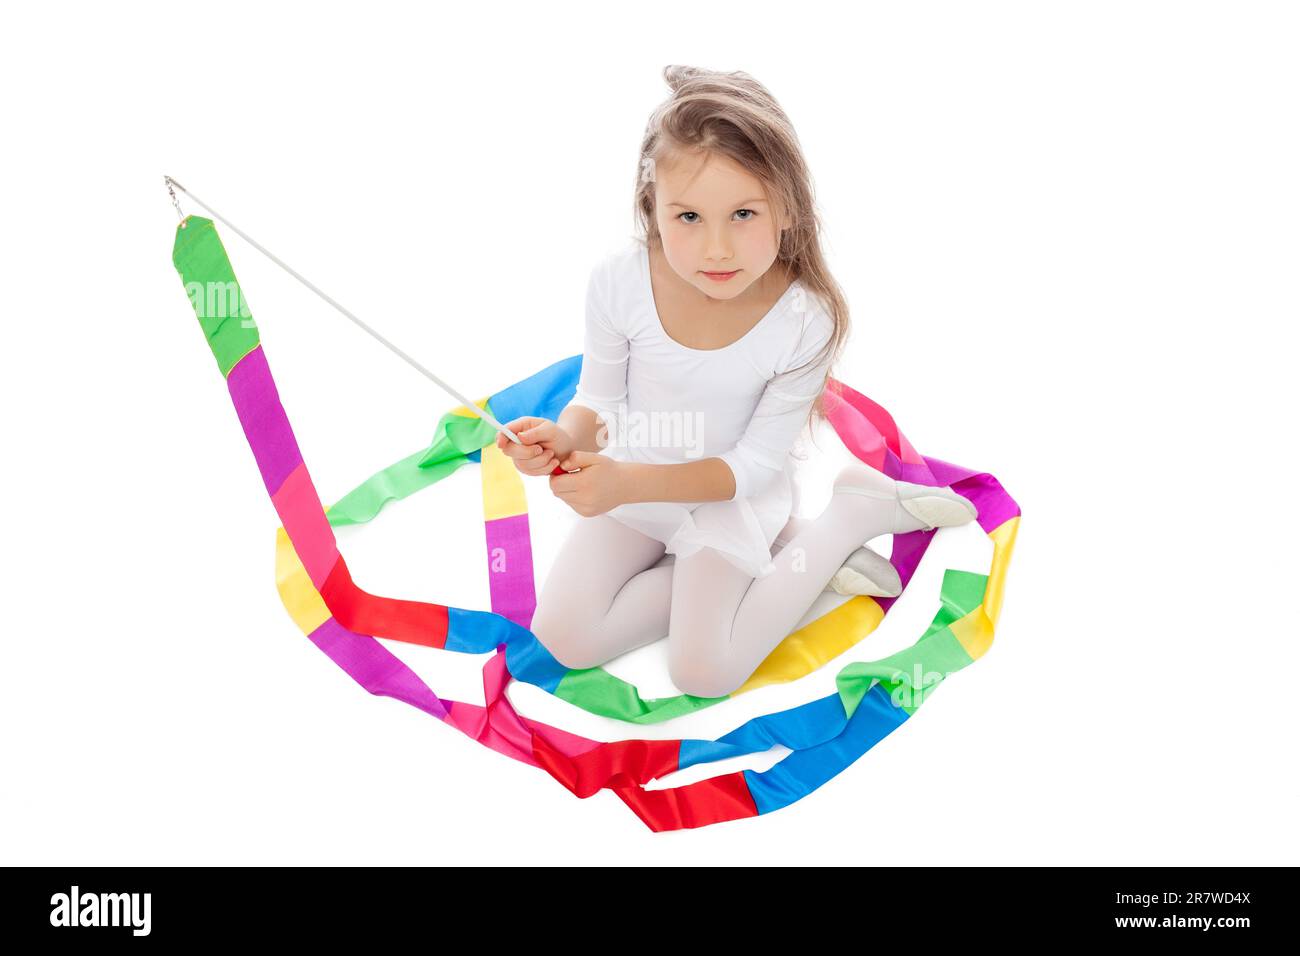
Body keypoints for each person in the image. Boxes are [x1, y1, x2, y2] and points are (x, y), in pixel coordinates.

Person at [496, 65, 978, 699]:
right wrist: (563, 438)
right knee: (563, 637)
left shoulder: (805, 318)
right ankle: (787, 560)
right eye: (688, 216)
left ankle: (846, 516)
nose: (716, 248)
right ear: (653, 209)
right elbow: (601, 397)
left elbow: (752, 465)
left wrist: (625, 484)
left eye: (743, 213)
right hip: (636, 483)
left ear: (785, 210)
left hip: (729, 498)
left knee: (704, 672)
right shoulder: (619, 281)